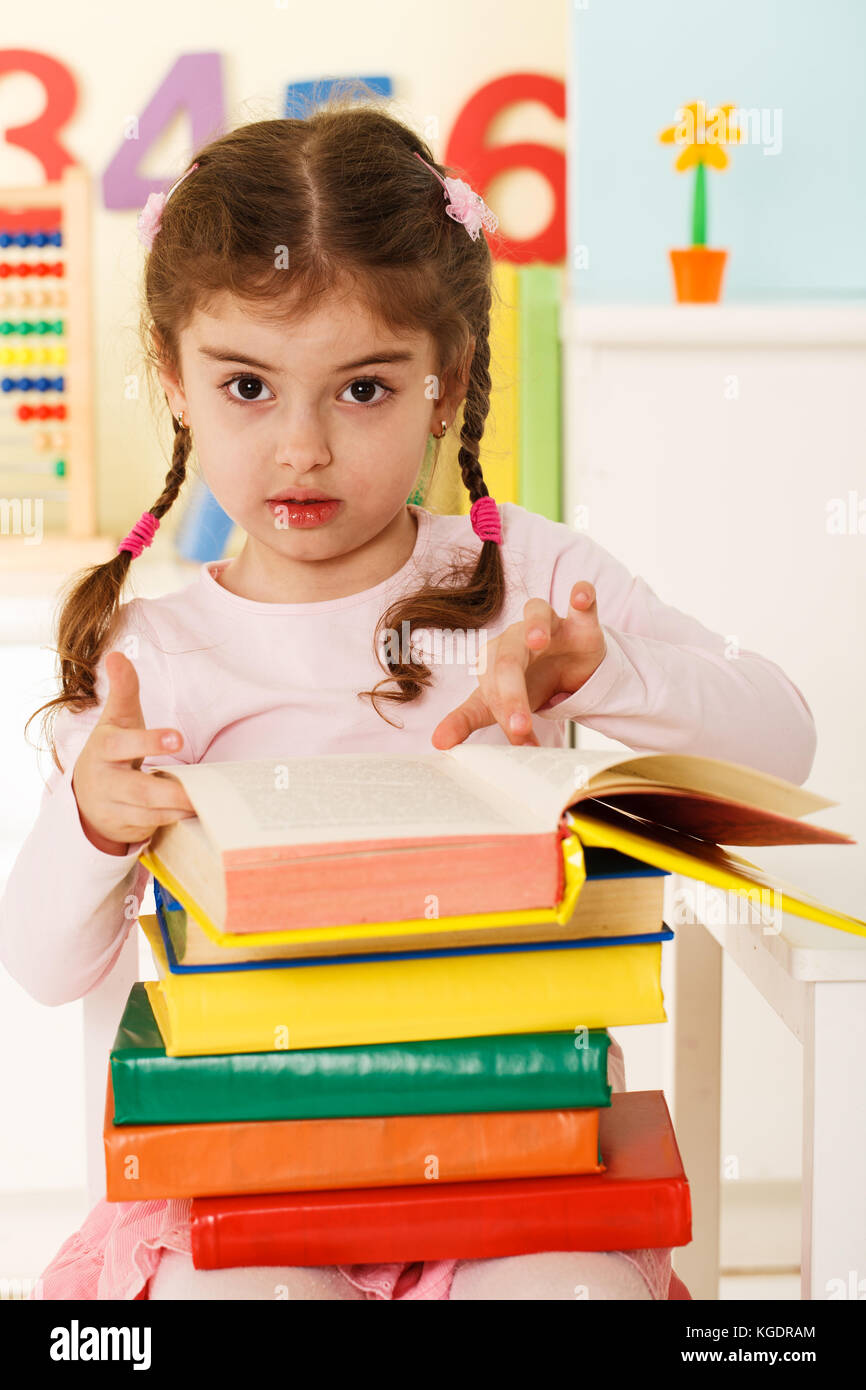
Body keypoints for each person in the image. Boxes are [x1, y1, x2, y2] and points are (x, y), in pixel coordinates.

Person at [0, 85, 816, 1301]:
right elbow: (45, 963)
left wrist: (614, 674)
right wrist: (92, 818)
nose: (301, 446)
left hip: (517, 1167)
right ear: (171, 378)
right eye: (246, 387)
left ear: (448, 378)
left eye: (365, 388)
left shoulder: (530, 580)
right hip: (246, 1188)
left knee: (569, 1294)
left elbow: (781, 735)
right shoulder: (153, 656)